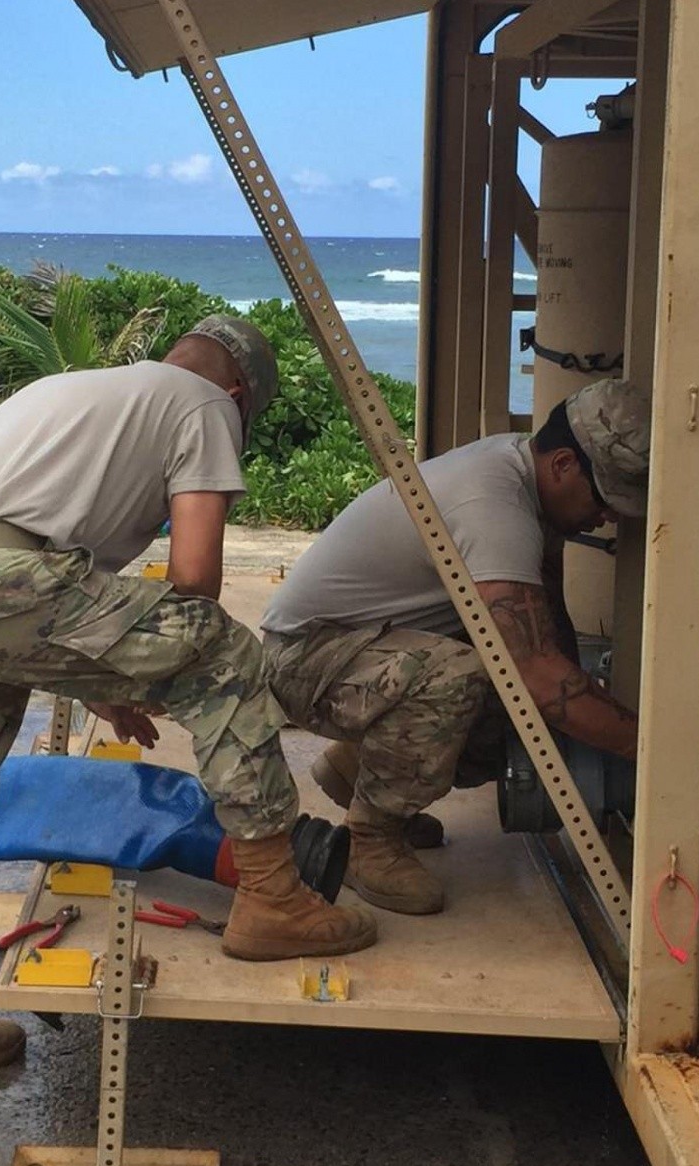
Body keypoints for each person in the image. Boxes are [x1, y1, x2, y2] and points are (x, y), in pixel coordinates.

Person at [0, 314, 377, 1098]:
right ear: (239, 391)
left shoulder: (74, 392)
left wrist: (106, 680)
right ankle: (274, 898)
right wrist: (160, 668)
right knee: (222, 646)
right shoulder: (205, 404)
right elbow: (195, 577)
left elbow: (21, 589)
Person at [261, 377, 651, 917]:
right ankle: (371, 839)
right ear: (563, 465)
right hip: (306, 658)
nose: (607, 517)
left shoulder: (522, 481)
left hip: (355, 649)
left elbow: (545, 631)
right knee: (461, 675)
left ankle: (356, 769)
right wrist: (652, 754)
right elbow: (535, 673)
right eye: (605, 498)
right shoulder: (495, 506)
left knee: (501, 685)